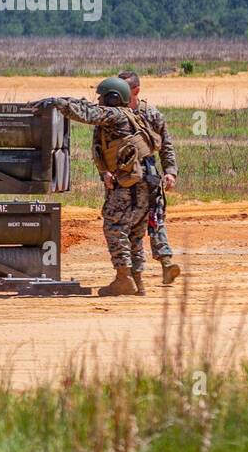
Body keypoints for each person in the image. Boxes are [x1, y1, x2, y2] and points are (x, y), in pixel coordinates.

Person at [32, 76, 163, 297]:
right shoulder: (131, 116)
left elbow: (87, 113)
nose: (99, 100)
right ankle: (137, 281)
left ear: (113, 98)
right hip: (146, 183)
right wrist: (65, 100)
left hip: (128, 184)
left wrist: (57, 103)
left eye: (102, 97)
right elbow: (88, 107)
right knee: (135, 234)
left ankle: (123, 279)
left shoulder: (114, 115)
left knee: (115, 228)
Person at [117, 70, 181, 285]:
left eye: (124, 88)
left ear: (136, 91)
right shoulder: (113, 114)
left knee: (155, 218)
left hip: (149, 175)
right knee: (130, 226)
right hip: (124, 177)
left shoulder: (151, 114)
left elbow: (166, 145)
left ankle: (166, 263)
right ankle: (134, 275)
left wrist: (170, 172)